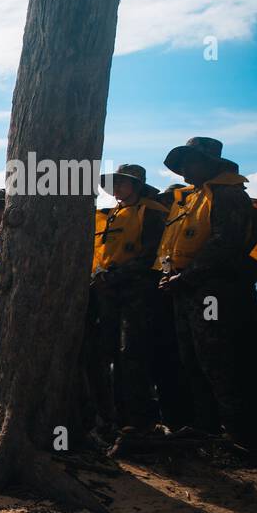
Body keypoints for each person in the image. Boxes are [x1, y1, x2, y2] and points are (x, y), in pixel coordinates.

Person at [156, 137, 257, 448]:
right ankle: (208, 429)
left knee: (222, 362)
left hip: (217, 293)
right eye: (182, 163)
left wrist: (186, 277)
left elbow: (225, 245)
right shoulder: (190, 198)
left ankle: (245, 439)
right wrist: (172, 277)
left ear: (209, 163)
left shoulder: (228, 196)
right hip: (187, 291)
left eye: (191, 161)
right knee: (194, 360)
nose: (184, 168)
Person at [89, 164, 167, 434]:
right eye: (115, 184)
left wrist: (117, 276)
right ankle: (116, 417)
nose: (117, 189)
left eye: (123, 183)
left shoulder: (153, 211)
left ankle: (139, 420)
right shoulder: (114, 215)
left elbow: (151, 255)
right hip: (109, 291)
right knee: (109, 351)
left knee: (132, 352)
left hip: (138, 290)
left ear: (137, 185)